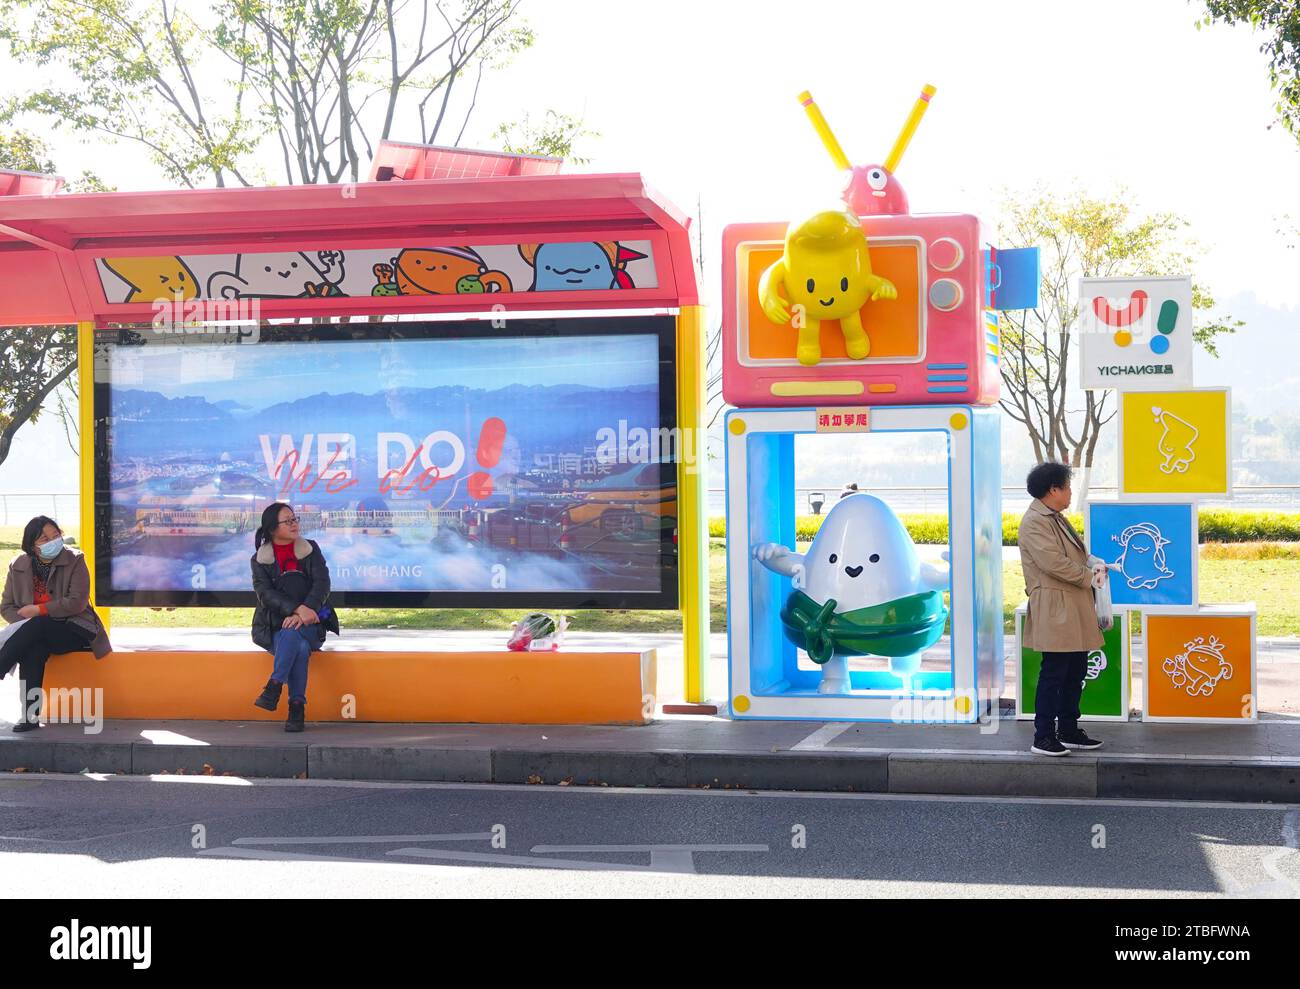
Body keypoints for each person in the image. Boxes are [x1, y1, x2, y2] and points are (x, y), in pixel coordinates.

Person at [1018, 463, 1108, 757]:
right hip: (1056, 607)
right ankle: (1043, 735)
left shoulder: (1055, 518)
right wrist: (1089, 577)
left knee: (1076, 670)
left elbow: (1076, 554)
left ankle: (1068, 729)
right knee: (1055, 672)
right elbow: (1052, 562)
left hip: (1072, 604)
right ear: (1052, 489)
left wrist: (1096, 563)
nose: (1070, 492)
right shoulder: (1035, 521)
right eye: (1067, 487)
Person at [0, 517, 111, 731]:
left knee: (38, 625)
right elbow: (6, 607)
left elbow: (77, 602)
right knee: (33, 647)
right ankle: (30, 717)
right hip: (35, 632)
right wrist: (29, 621)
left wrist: (39, 610)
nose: (53, 541)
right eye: (45, 538)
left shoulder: (75, 559)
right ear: (31, 545)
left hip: (74, 627)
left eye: (56, 535)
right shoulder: (18, 565)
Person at [250, 503, 339, 732]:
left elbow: (322, 583)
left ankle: (275, 685)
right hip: (275, 627)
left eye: (294, 519)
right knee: (296, 644)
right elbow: (265, 595)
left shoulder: (310, 549)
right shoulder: (259, 559)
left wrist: (307, 609)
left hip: (313, 622)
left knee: (295, 637)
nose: (294, 524)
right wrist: (297, 610)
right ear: (272, 528)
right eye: (287, 521)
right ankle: (296, 705)